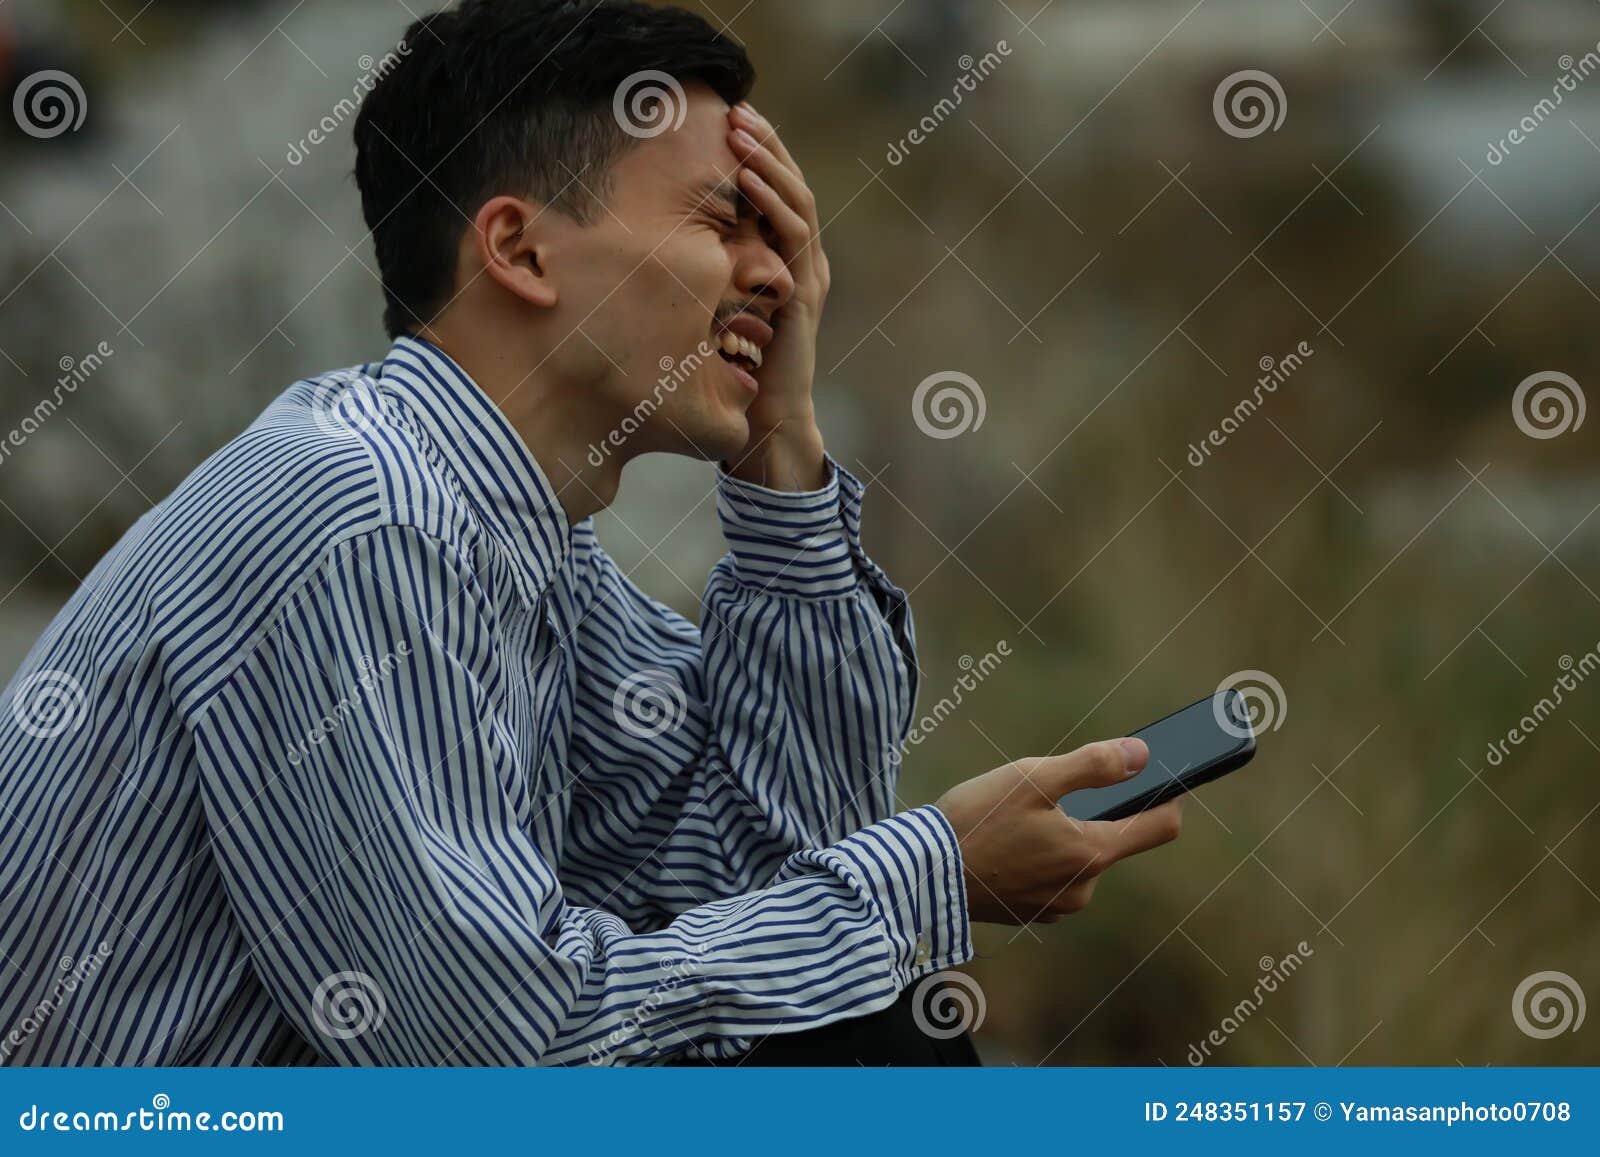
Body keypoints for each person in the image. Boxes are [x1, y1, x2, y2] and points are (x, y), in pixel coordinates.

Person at [0, 0, 1181, 1067]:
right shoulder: (358, 512)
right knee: (878, 1039)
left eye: (783, 236)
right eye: (730, 220)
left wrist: (781, 464)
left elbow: (770, 866)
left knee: (862, 1019)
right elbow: (492, 1053)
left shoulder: (518, 540)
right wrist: (933, 870)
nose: (783, 277)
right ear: (517, 248)